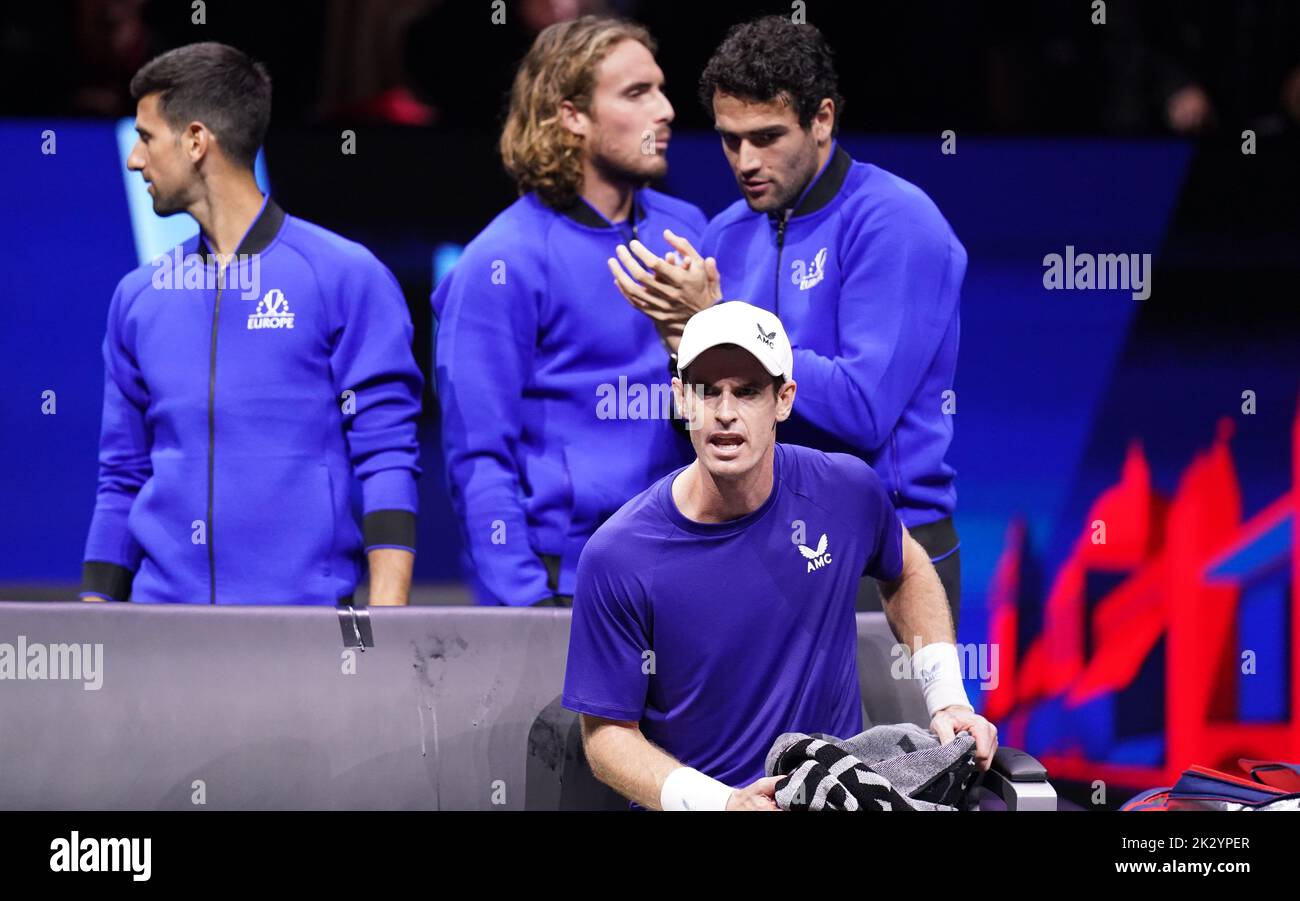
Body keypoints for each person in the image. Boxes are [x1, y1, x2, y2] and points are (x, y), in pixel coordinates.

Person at [562, 301, 995, 811]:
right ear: (681, 399)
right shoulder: (618, 555)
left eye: (747, 392)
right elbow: (608, 737)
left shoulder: (845, 490)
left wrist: (948, 698)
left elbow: (910, 568)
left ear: (783, 400)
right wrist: (722, 804)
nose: (725, 412)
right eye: (707, 391)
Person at [608, 16, 966, 626]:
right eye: (729, 139)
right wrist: (681, 349)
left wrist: (717, 320)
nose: (745, 160)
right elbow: (695, 434)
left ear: (822, 119)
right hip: (751, 549)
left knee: (888, 729)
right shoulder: (723, 234)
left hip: (885, 555)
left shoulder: (897, 223)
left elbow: (862, 409)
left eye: (767, 136)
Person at [81, 42, 423, 605]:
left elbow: (386, 454)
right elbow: (121, 477)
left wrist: (385, 629)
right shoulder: (137, 298)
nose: (134, 159)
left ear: (196, 141)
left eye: (145, 138)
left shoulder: (345, 276)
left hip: (305, 633)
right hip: (160, 635)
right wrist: (93, 627)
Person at [432, 16, 706, 607]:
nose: (665, 110)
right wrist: (526, 601)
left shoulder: (687, 232)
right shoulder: (500, 262)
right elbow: (479, 456)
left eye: (660, 88)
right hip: (568, 589)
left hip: (690, 574)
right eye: (636, 93)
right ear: (572, 116)